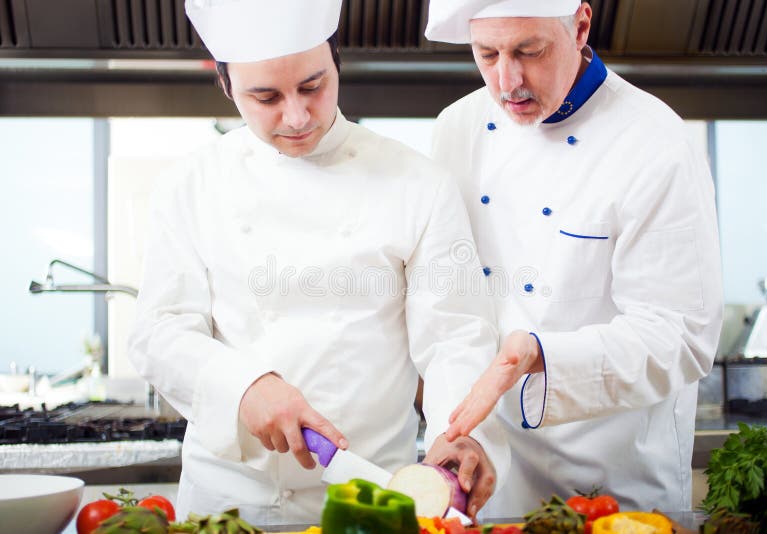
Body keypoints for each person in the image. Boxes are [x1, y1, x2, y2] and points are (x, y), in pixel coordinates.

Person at [128, 0, 508, 525]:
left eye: (313, 86)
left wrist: (459, 434)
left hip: (371, 498)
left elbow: (454, 338)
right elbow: (158, 332)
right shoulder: (190, 186)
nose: (298, 116)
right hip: (230, 503)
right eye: (266, 97)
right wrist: (246, 386)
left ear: (337, 64)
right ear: (226, 85)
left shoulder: (417, 183)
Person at [425, 0, 724, 516]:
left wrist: (543, 356)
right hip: (492, 472)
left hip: (616, 476)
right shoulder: (458, 128)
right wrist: (453, 426)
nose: (507, 80)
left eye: (529, 50)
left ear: (581, 26)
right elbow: (450, 306)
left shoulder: (656, 141)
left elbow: (681, 334)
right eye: (487, 54)